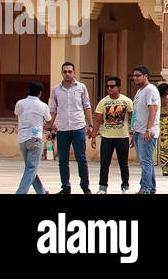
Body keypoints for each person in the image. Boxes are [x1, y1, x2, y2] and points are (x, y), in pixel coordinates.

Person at [47, 60, 93, 194]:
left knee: (81, 158)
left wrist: (90, 125)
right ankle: (65, 187)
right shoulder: (56, 89)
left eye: (70, 71)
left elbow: (87, 106)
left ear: (74, 73)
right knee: (62, 160)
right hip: (62, 129)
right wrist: (49, 128)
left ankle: (85, 186)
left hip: (78, 127)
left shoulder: (81, 87)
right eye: (65, 72)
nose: (67, 74)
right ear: (62, 73)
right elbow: (53, 109)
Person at [92, 75, 134, 193]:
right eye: (108, 86)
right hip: (107, 137)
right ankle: (102, 187)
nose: (109, 89)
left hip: (122, 137)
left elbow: (133, 118)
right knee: (104, 163)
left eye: (112, 86)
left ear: (119, 87)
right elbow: (97, 120)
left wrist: (134, 133)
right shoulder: (103, 102)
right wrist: (94, 136)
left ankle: (125, 186)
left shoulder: (127, 101)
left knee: (123, 163)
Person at [15, 81, 51, 195]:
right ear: (40, 93)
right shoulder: (43, 105)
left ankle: (41, 191)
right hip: (35, 138)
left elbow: (17, 114)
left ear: (28, 90)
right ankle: (20, 192)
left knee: (30, 168)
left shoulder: (20, 103)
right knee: (31, 168)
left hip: (22, 139)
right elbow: (49, 121)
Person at [129, 65, 160, 194]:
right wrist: (133, 130)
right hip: (139, 131)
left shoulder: (150, 90)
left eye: (138, 76)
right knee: (145, 161)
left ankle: (145, 188)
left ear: (145, 76)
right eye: (134, 76)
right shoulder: (140, 91)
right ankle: (151, 188)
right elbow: (136, 112)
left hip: (147, 132)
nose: (135, 78)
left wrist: (148, 129)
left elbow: (153, 109)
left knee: (146, 161)